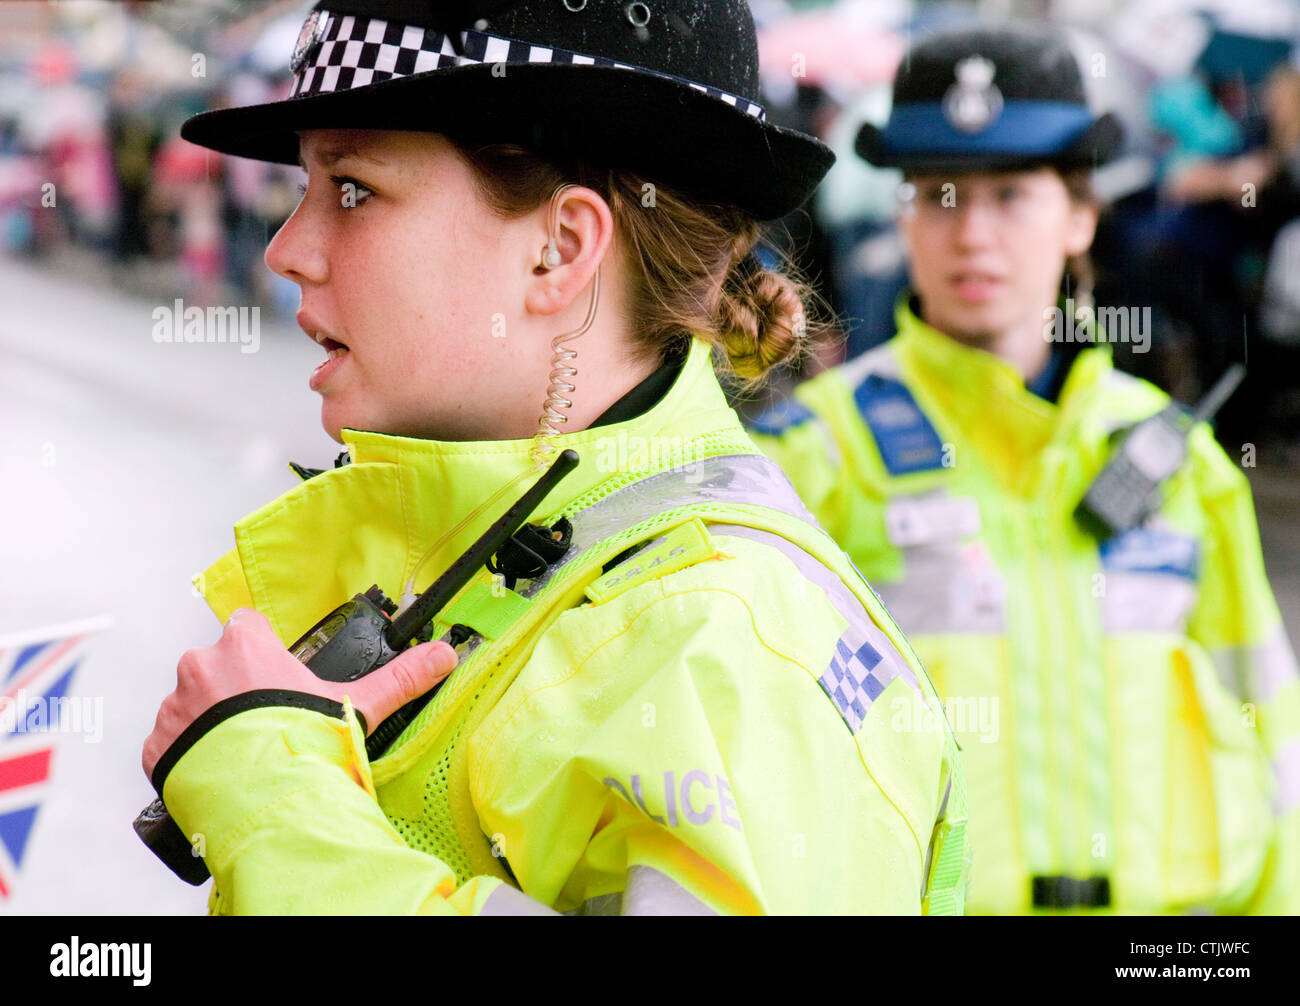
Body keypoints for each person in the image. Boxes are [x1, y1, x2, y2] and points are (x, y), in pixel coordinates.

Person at [140, 0, 968, 916]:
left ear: (560, 248)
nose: (289, 248)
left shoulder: (727, 642)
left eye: (352, 190)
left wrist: (274, 803)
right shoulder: (523, 550)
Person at [750, 23, 1300, 915]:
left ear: (1080, 217)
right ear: (905, 215)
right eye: (941, 195)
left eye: (1012, 195)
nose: (974, 235)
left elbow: (1272, 734)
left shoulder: (1184, 464)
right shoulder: (808, 459)